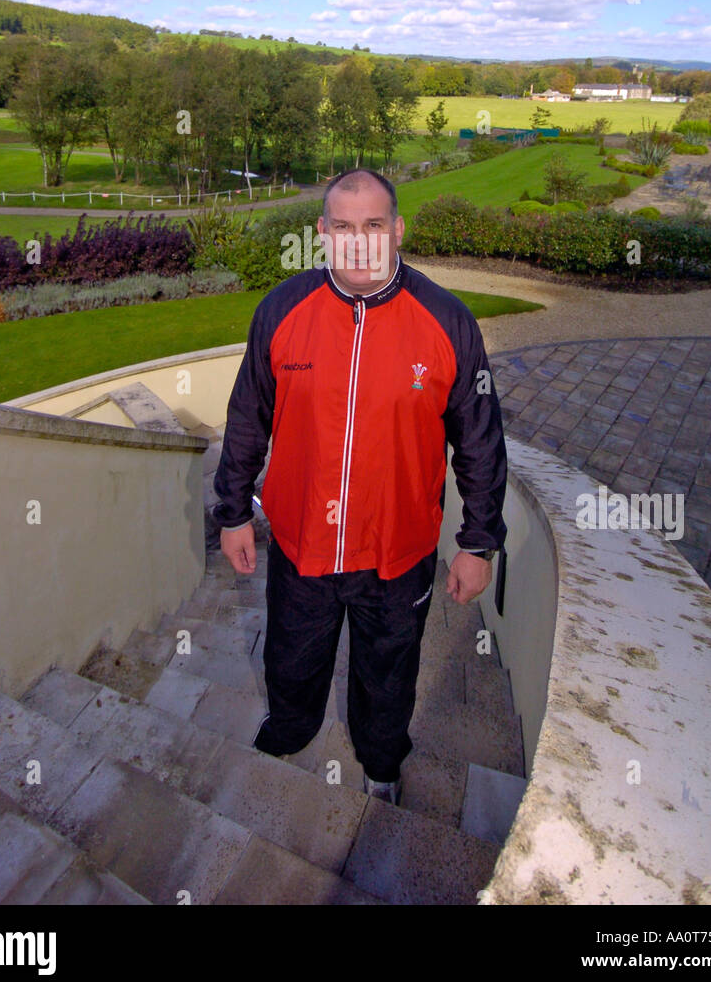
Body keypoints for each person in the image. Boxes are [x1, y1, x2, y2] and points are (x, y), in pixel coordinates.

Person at [212, 167, 508, 803]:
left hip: (397, 554)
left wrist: (478, 544)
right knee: (291, 659)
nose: (358, 240)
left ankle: (380, 763)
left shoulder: (447, 321)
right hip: (300, 546)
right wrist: (232, 511)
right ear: (322, 232)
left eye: (373, 225)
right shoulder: (282, 310)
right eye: (342, 226)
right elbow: (246, 421)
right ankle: (291, 730)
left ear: (397, 230)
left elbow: (480, 443)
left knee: (389, 673)